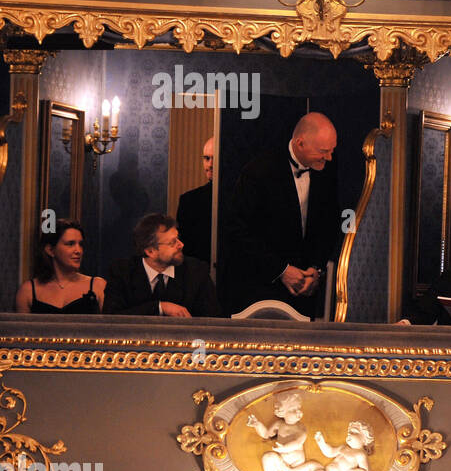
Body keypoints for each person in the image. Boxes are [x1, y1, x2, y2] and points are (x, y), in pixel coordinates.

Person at [226, 112, 341, 317]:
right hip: (261, 288)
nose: (329, 157)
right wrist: (281, 271)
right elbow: (237, 231)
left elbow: (329, 227)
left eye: (331, 151)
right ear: (300, 143)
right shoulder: (258, 172)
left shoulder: (327, 173)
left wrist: (316, 269)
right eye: (324, 151)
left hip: (306, 292)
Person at [103, 213, 222, 317]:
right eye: (172, 242)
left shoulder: (197, 271)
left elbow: (212, 320)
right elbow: (111, 318)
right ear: (150, 251)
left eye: (178, 239)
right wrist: (159, 307)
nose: (181, 245)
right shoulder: (122, 272)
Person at [14, 219, 105, 314]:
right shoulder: (28, 291)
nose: (78, 250)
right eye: (70, 244)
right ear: (50, 250)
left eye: (80, 244)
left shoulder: (97, 286)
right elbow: (22, 328)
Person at [175, 136, 214, 265]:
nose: (210, 164)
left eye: (215, 158)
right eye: (207, 158)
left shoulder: (240, 198)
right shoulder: (189, 201)